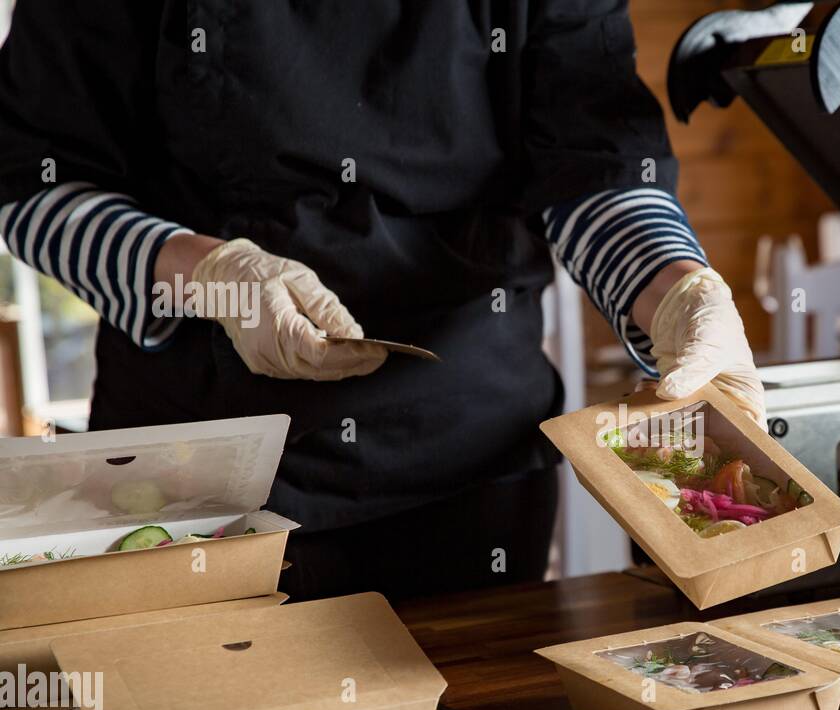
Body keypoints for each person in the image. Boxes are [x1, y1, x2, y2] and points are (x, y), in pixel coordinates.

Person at [0, 1, 764, 600]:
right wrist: (207, 273)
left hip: (467, 461)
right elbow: (31, 189)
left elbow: (593, 168)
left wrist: (673, 288)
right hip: (194, 469)